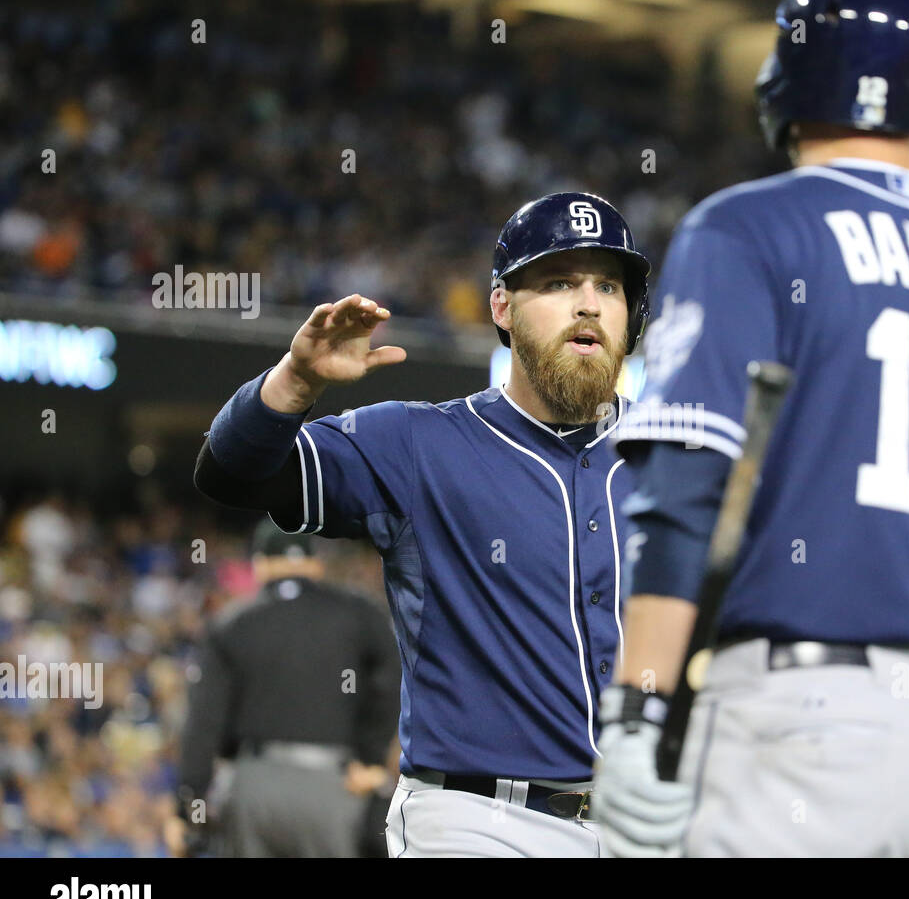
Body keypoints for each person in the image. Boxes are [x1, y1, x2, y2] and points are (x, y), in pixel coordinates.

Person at [592, 0, 909, 857]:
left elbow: (682, 493)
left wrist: (639, 705)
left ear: (787, 77)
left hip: (807, 724)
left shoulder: (746, 225)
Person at [193, 192, 651, 857]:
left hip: (646, 825)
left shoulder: (674, 455)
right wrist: (295, 380)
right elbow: (228, 473)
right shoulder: (416, 443)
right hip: (479, 821)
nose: (588, 303)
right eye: (558, 281)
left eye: (608, 285)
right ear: (502, 306)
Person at [167, 520, 400, 857]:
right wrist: (372, 758)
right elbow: (391, 677)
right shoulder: (360, 614)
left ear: (260, 564)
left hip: (252, 787)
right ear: (314, 563)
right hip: (333, 787)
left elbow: (202, 723)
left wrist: (187, 807)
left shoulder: (230, 623)